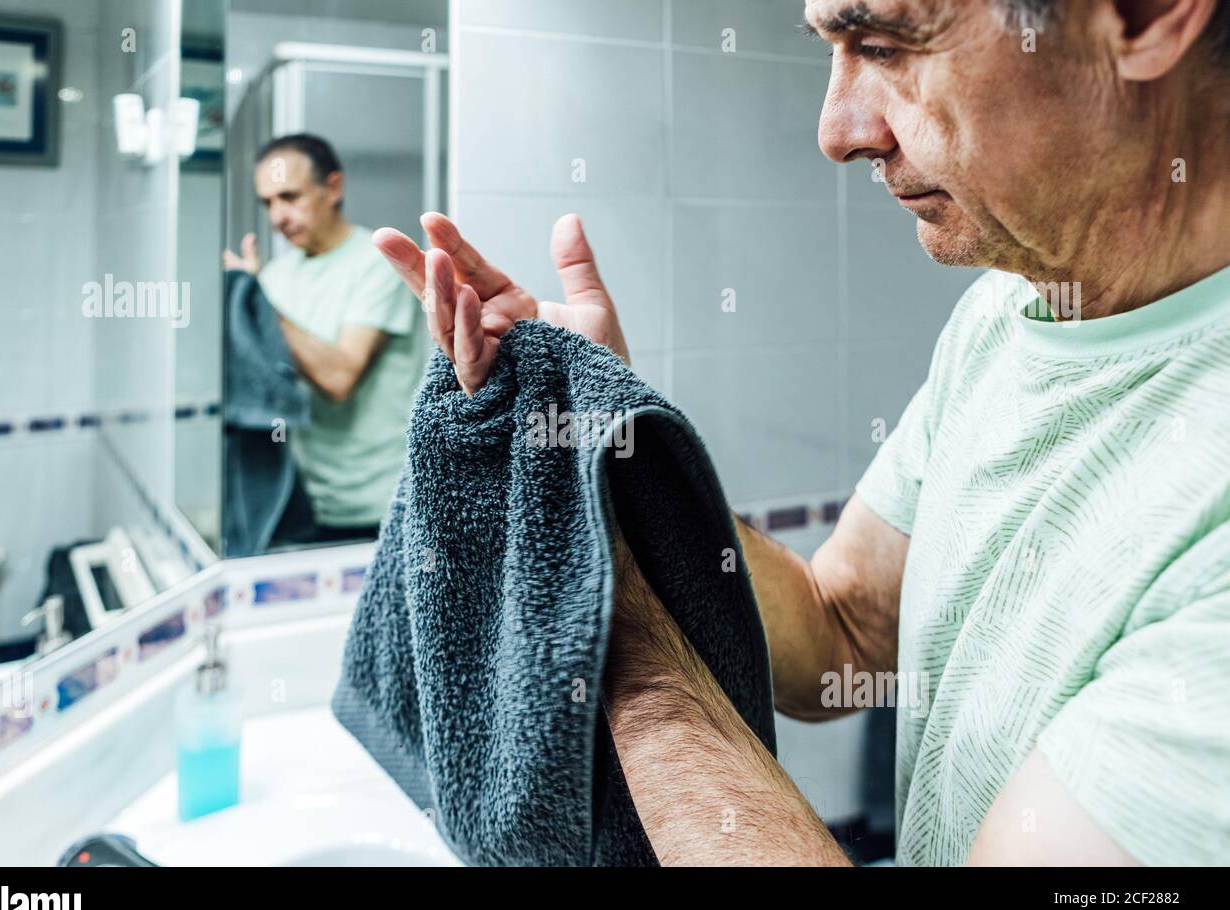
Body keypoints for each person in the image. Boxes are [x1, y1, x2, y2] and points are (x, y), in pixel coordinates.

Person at [374, 0, 1230, 865]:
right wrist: (613, 459)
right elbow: (841, 633)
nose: (838, 132)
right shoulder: (1008, 314)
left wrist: (595, 585)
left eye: (884, 44)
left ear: (1148, 16)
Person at [223, 133, 430, 543]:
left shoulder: (378, 266)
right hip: (303, 498)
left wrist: (257, 301)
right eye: (268, 203)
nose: (278, 216)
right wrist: (247, 299)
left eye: (290, 197)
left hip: (380, 501)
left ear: (333, 187)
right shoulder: (277, 276)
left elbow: (339, 379)